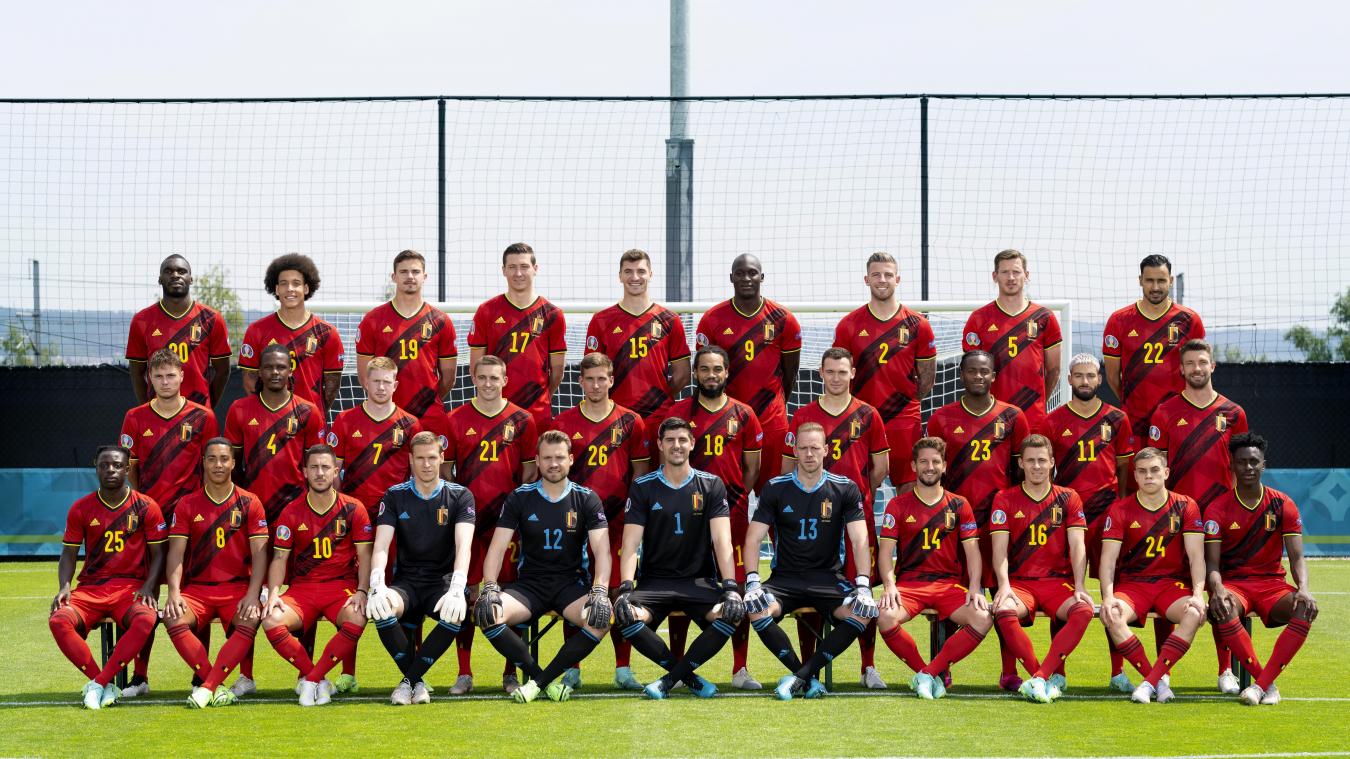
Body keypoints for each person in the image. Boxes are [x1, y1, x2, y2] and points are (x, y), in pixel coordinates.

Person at [425, 355, 538, 695]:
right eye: (482, 376)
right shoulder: (455, 419)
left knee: (509, 593)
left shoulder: (523, 419)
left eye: (495, 377)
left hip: (507, 526)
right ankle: (465, 672)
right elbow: (446, 473)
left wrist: (514, 510)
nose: (488, 383)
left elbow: (530, 471)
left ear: (505, 379)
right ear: (472, 378)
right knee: (467, 595)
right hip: (469, 526)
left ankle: (511, 672)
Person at [473, 430, 613, 703]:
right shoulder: (520, 497)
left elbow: (603, 552)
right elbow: (497, 548)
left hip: (571, 585)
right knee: (488, 613)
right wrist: (489, 585)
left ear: (571, 460)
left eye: (560, 457)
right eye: (547, 458)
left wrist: (599, 590)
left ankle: (538, 682)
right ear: (536, 460)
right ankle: (544, 681)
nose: (553, 463)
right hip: (530, 586)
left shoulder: (586, 499)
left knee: (601, 619)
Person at [652, 346, 764, 688]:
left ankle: (740, 668)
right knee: (683, 587)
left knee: (738, 589)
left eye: (717, 369)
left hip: (734, 513)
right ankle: (679, 666)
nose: (710, 375)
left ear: (727, 373)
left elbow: (752, 468)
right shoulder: (680, 411)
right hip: (687, 516)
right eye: (704, 369)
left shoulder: (744, 414)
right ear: (695, 373)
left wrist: (728, 499)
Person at [742, 423, 879, 701]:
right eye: (802, 448)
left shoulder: (845, 488)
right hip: (785, 580)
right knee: (756, 609)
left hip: (829, 578)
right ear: (794, 450)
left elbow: (860, 541)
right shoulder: (775, 488)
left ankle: (801, 677)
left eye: (815, 448)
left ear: (826, 450)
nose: (808, 454)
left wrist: (863, 585)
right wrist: (753, 581)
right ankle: (804, 676)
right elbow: (753, 539)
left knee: (863, 612)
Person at [782, 347, 889, 689]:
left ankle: (868, 666)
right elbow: (787, 468)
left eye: (843, 372)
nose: (836, 377)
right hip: (810, 518)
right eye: (830, 372)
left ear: (853, 373)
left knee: (863, 589)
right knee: (809, 587)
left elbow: (880, 468)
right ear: (821, 373)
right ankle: (806, 666)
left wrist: (851, 496)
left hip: (854, 519)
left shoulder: (869, 414)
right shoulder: (803, 416)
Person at [615, 417, 742, 700]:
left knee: (731, 614)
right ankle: (685, 676)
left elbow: (722, 540)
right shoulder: (643, 486)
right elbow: (631, 543)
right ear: (659, 445)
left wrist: (731, 587)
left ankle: (670, 679)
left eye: (682, 440)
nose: (677, 445)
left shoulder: (711, 485)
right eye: (670, 440)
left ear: (692, 444)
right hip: (654, 582)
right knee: (625, 616)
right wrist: (625, 587)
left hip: (698, 581)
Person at [925, 349, 1030, 690]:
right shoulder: (942, 418)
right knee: (952, 596)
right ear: (961, 374)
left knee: (1002, 595)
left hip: (999, 523)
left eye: (984, 371)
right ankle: (944, 667)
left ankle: (1008, 671)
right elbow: (935, 472)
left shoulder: (1013, 416)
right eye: (972, 371)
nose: (978, 377)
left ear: (994, 375)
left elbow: (1019, 471)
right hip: (955, 524)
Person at [1148, 338, 1249, 691]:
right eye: (1190, 363)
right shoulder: (1165, 412)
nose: (1196, 368)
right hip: (1175, 518)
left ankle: (1225, 670)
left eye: (1202, 362)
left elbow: (1241, 470)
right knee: (1168, 589)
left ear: (1212, 366)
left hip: (1219, 518)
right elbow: (1154, 469)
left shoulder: (1233, 413)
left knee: (1221, 589)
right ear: (1181, 369)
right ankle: (1163, 674)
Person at [547, 353, 650, 690]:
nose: (595, 385)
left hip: (619, 521)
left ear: (611, 380)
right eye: (589, 379)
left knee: (620, 590)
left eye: (601, 378)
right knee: (573, 590)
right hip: (574, 521)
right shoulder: (562, 423)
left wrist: (635, 515)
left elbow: (640, 473)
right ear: (580, 382)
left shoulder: (631, 421)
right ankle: (572, 669)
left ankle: (623, 668)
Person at [1044, 353, 1135, 691]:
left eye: (1091, 376)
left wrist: (1121, 509)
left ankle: (1118, 672)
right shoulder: (1053, 421)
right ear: (1069, 380)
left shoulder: (1117, 418)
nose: (1085, 381)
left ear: (1099, 379)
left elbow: (1124, 469)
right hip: (1068, 518)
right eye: (1078, 376)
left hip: (1108, 517)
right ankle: (1058, 672)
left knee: (1115, 594)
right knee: (1066, 594)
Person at [48, 447, 165, 710]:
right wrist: (64, 586)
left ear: (126, 469)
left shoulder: (146, 506)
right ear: (96, 468)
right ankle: (101, 682)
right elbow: (68, 554)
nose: (110, 470)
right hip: (91, 589)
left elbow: (160, 554)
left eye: (116, 465)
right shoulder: (81, 508)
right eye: (104, 466)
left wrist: (148, 585)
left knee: (146, 618)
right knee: (58, 620)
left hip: (131, 588)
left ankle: (99, 683)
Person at [1205, 433, 1317, 706]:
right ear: (1231, 466)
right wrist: (1217, 589)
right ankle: (1265, 684)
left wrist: (1303, 589)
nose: (1248, 468)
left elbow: (1297, 557)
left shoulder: (1282, 504)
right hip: (1235, 585)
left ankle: (1260, 686)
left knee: (1305, 608)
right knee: (1224, 607)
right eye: (1242, 462)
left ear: (1263, 465)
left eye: (1254, 462)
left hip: (1272, 586)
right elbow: (1212, 563)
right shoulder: (1218, 508)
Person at [365, 431, 476, 705]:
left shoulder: (461, 496)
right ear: (410, 460)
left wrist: (458, 586)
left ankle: (409, 681)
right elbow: (380, 546)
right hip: (406, 584)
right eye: (420, 459)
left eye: (432, 458)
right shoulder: (394, 495)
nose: (427, 464)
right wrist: (377, 583)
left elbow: (464, 546)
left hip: (442, 583)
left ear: (441, 459)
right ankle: (417, 680)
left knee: (455, 613)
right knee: (382, 609)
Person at [876, 437, 992, 699]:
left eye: (935, 462)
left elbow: (973, 552)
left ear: (945, 466)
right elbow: (885, 553)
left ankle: (928, 674)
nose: (930, 467)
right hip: (910, 585)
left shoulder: (959, 504)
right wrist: (889, 584)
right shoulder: (898, 505)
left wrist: (975, 588)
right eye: (924, 462)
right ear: (914, 467)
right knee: (884, 616)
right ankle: (925, 673)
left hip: (948, 585)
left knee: (983, 618)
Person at [260, 444, 373, 706]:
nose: (320, 473)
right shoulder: (291, 511)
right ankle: (318, 679)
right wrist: (274, 593)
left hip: (341, 587)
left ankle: (311, 679)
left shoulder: (353, 508)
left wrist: (362, 591)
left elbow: (365, 557)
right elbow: (279, 558)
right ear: (304, 472)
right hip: (303, 589)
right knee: (271, 619)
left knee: (357, 615)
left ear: (336, 471)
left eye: (325, 467)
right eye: (314, 467)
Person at [162, 439, 270, 708]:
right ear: (204, 463)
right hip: (197, 589)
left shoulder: (249, 502)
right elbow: (175, 553)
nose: (218, 464)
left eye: (224, 459)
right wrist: (173, 592)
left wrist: (253, 594)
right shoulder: (187, 504)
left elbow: (260, 554)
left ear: (233, 462)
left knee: (249, 618)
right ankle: (216, 683)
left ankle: (207, 686)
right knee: (173, 618)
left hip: (237, 588)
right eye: (212, 459)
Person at [988, 435, 1094, 703]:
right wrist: (1004, 585)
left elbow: (1078, 546)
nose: (1037, 466)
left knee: (1083, 610)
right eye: (1031, 461)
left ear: (1052, 463)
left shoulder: (1069, 498)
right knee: (1003, 610)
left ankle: (1039, 677)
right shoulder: (1005, 498)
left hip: (1058, 583)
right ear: (1021, 463)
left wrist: (1080, 586)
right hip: (1021, 584)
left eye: (1042, 461)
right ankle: (1040, 675)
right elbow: (999, 550)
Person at [1098, 447, 1207, 704]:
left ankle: (1148, 683)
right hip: (1134, 586)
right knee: (1112, 614)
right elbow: (1108, 560)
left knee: (1194, 613)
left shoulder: (1185, 506)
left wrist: (1198, 595)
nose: (1149, 476)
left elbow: (1196, 557)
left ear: (1166, 472)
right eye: (1143, 472)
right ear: (1134, 476)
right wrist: (1108, 596)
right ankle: (1156, 680)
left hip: (1172, 585)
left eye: (1155, 470)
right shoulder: (1121, 509)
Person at [695, 254, 801, 498]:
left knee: (776, 498)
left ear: (761, 277)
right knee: (725, 497)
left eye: (752, 272)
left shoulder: (783, 319)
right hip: (727, 423)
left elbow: (790, 373)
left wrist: (773, 406)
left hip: (772, 422)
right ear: (731, 277)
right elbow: (704, 374)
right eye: (740, 273)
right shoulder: (712, 319)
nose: (746, 278)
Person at [832, 251, 936, 496]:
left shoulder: (917, 324)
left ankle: (905, 535)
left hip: (904, 420)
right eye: (876, 274)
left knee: (910, 488)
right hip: (862, 419)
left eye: (888, 275)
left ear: (897, 279)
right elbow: (837, 373)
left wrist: (906, 403)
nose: (882, 279)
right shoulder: (849, 325)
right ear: (866, 279)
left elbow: (927, 377)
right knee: (859, 488)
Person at [1103, 254, 1206, 446]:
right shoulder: (1119, 321)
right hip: (1135, 421)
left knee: (1177, 475)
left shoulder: (1189, 320)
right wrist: (1132, 403)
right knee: (1140, 474)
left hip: (1179, 418)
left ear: (1171, 281)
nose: (1156, 287)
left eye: (1161, 281)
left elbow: (1199, 369)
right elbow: (1112, 377)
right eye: (1150, 280)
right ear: (1140, 280)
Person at [468, 242, 567, 431]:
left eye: (524, 267)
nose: (518, 273)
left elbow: (557, 372)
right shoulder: (487, 311)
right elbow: (475, 366)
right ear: (503, 270)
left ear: (535, 269)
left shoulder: (552, 314)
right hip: (494, 411)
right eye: (512, 267)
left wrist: (540, 396)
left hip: (537, 412)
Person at [962, 249, 1062, 433]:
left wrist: (1037, 401)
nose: (1011, 277)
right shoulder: (979, 319)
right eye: (1004, 272)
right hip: (991, 416)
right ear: (995, 276)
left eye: (1016, 272)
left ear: (1026, 275)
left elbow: (1054, 370)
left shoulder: (1044, 317)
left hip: (1034, 417)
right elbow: (972, 374)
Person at [224, 344, 327, 521]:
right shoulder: (239, 409)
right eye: (268, 367)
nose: (275, 372)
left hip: (295, 506)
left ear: (290, 371)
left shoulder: (308, 411)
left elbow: (316, 465)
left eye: (280, 367)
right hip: (252, 504)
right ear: (259, 372)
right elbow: (233, 464)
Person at [584, 248, 691, 417]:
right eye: (628, 271)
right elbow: (592, 372)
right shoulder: (601, 320)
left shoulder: (670, 320)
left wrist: (657, 398)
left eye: (641, 271)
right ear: (620, 276)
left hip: (658, 416)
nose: (635, 277)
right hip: (616, 416)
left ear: (650, 274)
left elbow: (683, 375)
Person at [356, 249, 458, 417]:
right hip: (385, 413)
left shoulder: (441, 321)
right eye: (403, 271)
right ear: (394, 277)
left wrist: (426, 401)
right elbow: (364, 377)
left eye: (415, 272)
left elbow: (448, 379)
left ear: (424, 277)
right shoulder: (373, 319)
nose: (410, 276)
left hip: (428, 414)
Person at [240, 253, 344, 416]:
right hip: (269, 420)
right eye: (284, 283)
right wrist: (267, 412)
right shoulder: (257, 330)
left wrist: (314, 413)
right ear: (276, 289)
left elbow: (332, 384)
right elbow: (250, 380)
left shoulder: (327, 333)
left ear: (306, 288)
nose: (290, 289)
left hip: (310, 421)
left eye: (296, 283)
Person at [120, 348, 219, 515]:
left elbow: (210, 465)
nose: (165, 382)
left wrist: (202, 503)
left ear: (181, 376)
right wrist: (143, 500)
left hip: (190, 511)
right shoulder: (134, 417)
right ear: (149, 378)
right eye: (159, 376)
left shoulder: (203, 416)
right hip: (149, 510)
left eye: (170, 376)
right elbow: (131, 465)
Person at [126, 254, 231, 408]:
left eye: (182, 271)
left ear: (191, 279)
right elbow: (136, 373)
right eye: (168, 272)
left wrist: (206, 408)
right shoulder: (141, 320)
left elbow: (223, 371)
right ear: (160, 279)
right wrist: (148, 409)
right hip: (158, 415)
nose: (175, 275)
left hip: (199, 414)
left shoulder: (211, 318)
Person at [329, 357, 422, 521]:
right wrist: (344, 504)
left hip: (396, 512)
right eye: (376, 381)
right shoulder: (345, 420)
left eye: (386, 382)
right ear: (366, 383)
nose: (380, 387)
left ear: (395, 386)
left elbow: (417, 475)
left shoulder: (410, 424)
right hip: (355, 511)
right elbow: (333, 471)